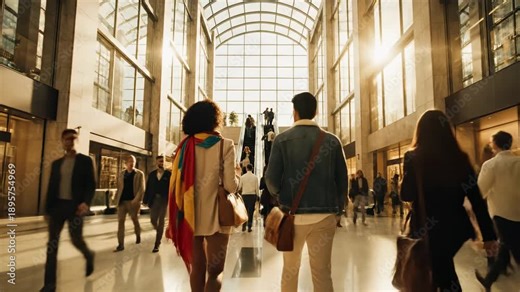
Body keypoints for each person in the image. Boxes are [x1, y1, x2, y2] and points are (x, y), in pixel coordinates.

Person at [400, 110, 497, 291]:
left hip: (426, 227)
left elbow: (407, 194)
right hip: (455, 229)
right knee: (442, 270)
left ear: (420, 131)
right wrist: (489, 236)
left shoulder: (414, 156)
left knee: (439, 272)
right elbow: (476, 198)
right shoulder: (459, 158)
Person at [265, 92, 348, 292]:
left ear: (295, 113)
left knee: (290, 270)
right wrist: (338, 209)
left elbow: (271, 179)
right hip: (324, 216)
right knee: (322, 273)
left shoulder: (282, 140)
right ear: (316, 111)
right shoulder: (332, 141)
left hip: (292, 218)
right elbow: (342, 180)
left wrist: (280, 196)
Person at [166, 100, 240, 292]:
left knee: (197, 268)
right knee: (215, 272)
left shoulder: (183, 147)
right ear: (215, 120)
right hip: (217, 215)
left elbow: (175, 186)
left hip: (189, 215)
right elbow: (231, 186)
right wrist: (238, 176)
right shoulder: (225, 145)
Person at [41, 129, 96, 292]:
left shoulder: (85, 161)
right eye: (66, 139)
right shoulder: (56, 164)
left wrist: (85, 203)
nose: (69, 141)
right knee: (52, 246)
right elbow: (51, 187)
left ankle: (88, 254)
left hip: (76, 209)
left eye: (73, 138)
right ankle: (49, 285)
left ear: (76, 140)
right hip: (57, 208)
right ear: (62, 141)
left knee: (76, 240)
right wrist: (47, 209)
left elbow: (91, 184)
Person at [476, 131, 520, 290]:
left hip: (501, 215)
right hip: (518, 213)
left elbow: (480, 190)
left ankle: (488, 280)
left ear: (495, 144)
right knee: (506, 246)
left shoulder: (491, 165)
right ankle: (488, 280)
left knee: (511, 247)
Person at [113, 155, 145, 252]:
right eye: (130, 161)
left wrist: (136, 199)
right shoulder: (121, 174)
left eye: (133, 161)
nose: (132, 163)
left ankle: (138, 235)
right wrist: (115, 199)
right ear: (126, 163)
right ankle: (120, 244)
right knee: (121, 222)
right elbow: (119, 188)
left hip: (133, 202)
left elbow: (142, 188)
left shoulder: (139, 174)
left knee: (135, 220)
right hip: (122, 202)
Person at [143, 155, 172, 253]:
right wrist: (145, 200)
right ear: (156, 162)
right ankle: (159, 230)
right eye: (159, 161)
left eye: (162, 161)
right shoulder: (151, 175)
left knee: (161, 221)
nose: (161, 163)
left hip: (164, 200)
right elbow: (148, 188)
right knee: (153, 220)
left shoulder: (169, 174)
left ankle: (157, 244)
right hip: (154, 200)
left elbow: (172, 188)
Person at [238, 164, 260, 232]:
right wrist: (258, 196)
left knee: (244, 211)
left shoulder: (242, 177)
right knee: (250, 211)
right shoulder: (255, 177)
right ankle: (249, 226)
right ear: (252, 169)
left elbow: (239, 187)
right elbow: (257, 188)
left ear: (247, 169)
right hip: (252, 196)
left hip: (244, 195)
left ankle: (244, 226)